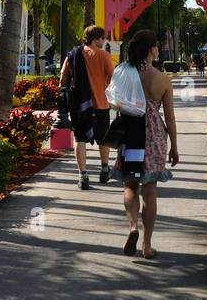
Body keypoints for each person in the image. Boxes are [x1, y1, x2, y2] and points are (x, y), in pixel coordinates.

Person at [113, 29, 178, 260]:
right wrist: (174, 146)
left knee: (130, 185)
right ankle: (147, 246)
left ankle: (132, 227)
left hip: (131, 133)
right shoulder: (161, 79)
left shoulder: (126, 73)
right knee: (149, 193)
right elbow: (169, 117)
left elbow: (116, 102)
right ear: (152, 49)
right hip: (153, 138)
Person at [59, 24, 115, 190]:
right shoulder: (104, 56)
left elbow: (63, 78)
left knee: (80, 138)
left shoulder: (73, 55)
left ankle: (83, 176)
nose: (104, 41)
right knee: (103, 138)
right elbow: (113, 78)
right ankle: (104, 169)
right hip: (101, 104)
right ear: (96, 38)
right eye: (102, 38)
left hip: (79, 106)